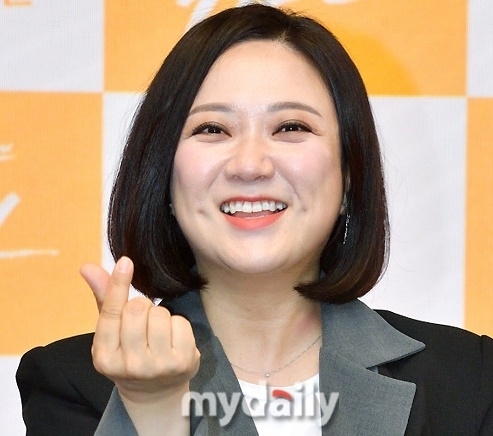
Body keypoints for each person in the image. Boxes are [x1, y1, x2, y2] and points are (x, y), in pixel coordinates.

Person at [16, 3, 493, 435]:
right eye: (212, 129)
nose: (250, 165)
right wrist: (154, 410)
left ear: (349, 175)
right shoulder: (74, 384)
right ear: (164, 175)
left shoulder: (469, 378)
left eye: (290, 127)